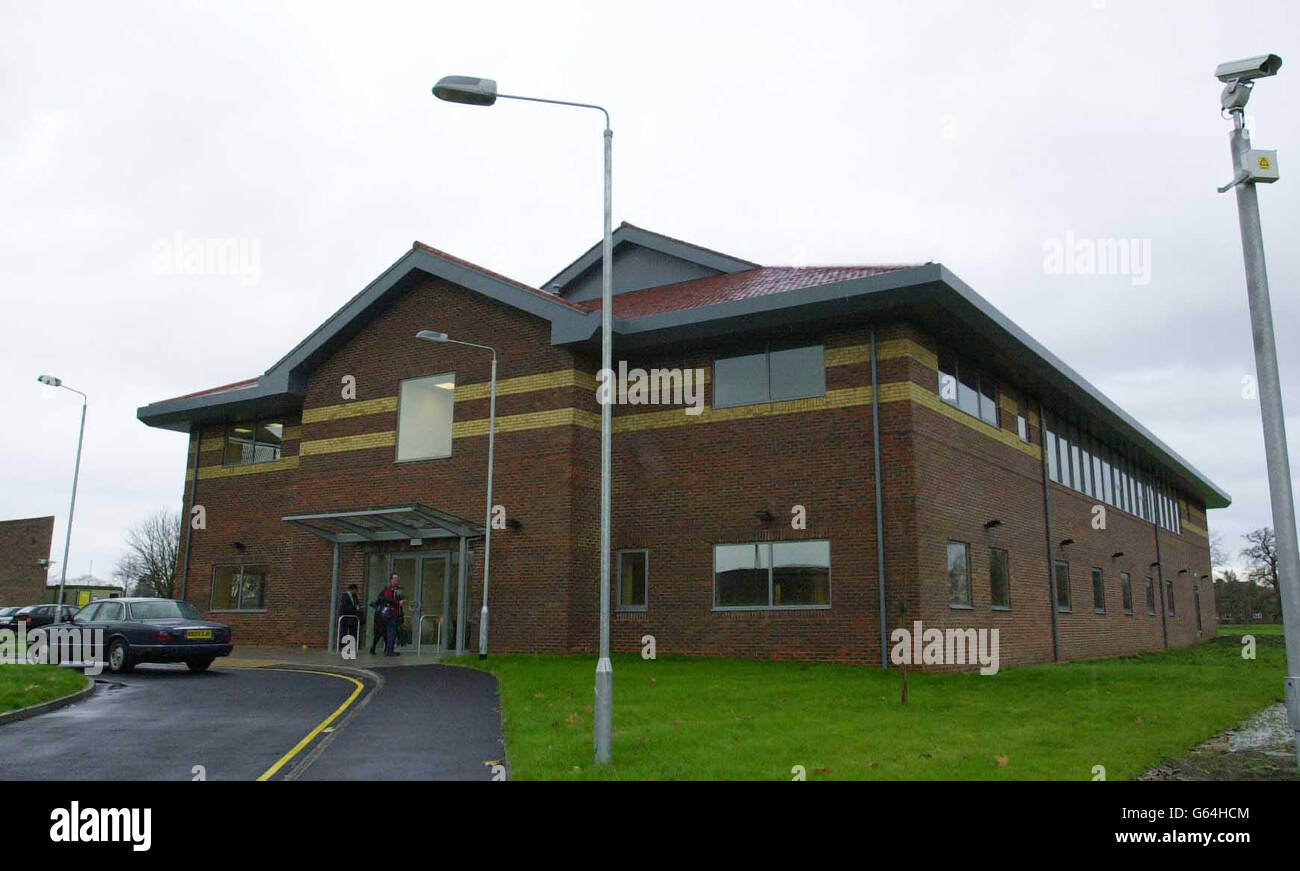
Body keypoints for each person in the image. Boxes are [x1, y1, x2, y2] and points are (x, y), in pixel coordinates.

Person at [375, 573, 405, 657]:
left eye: (397, 579)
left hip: (396, 614)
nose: (396, 581)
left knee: (393, 633)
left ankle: (390, 649)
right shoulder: (388, 590)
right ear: (391, 580)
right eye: (395, 579)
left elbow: (400, 599)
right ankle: (389, 651)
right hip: (390, 615)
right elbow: (388, 600)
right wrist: (398, 603)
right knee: (391, 632)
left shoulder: (397, 590)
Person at [338, 583, 362, 652]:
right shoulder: (345, 596)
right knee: (344, 632)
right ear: (353, 589)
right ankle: (343, 646)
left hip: (352, 618)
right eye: (355, 590)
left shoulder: (354, 596)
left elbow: (357, 604)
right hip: (345, 617)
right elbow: (345, 607)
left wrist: (358, 607)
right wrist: (354, 608)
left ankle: (352, 645)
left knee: (353, 631)